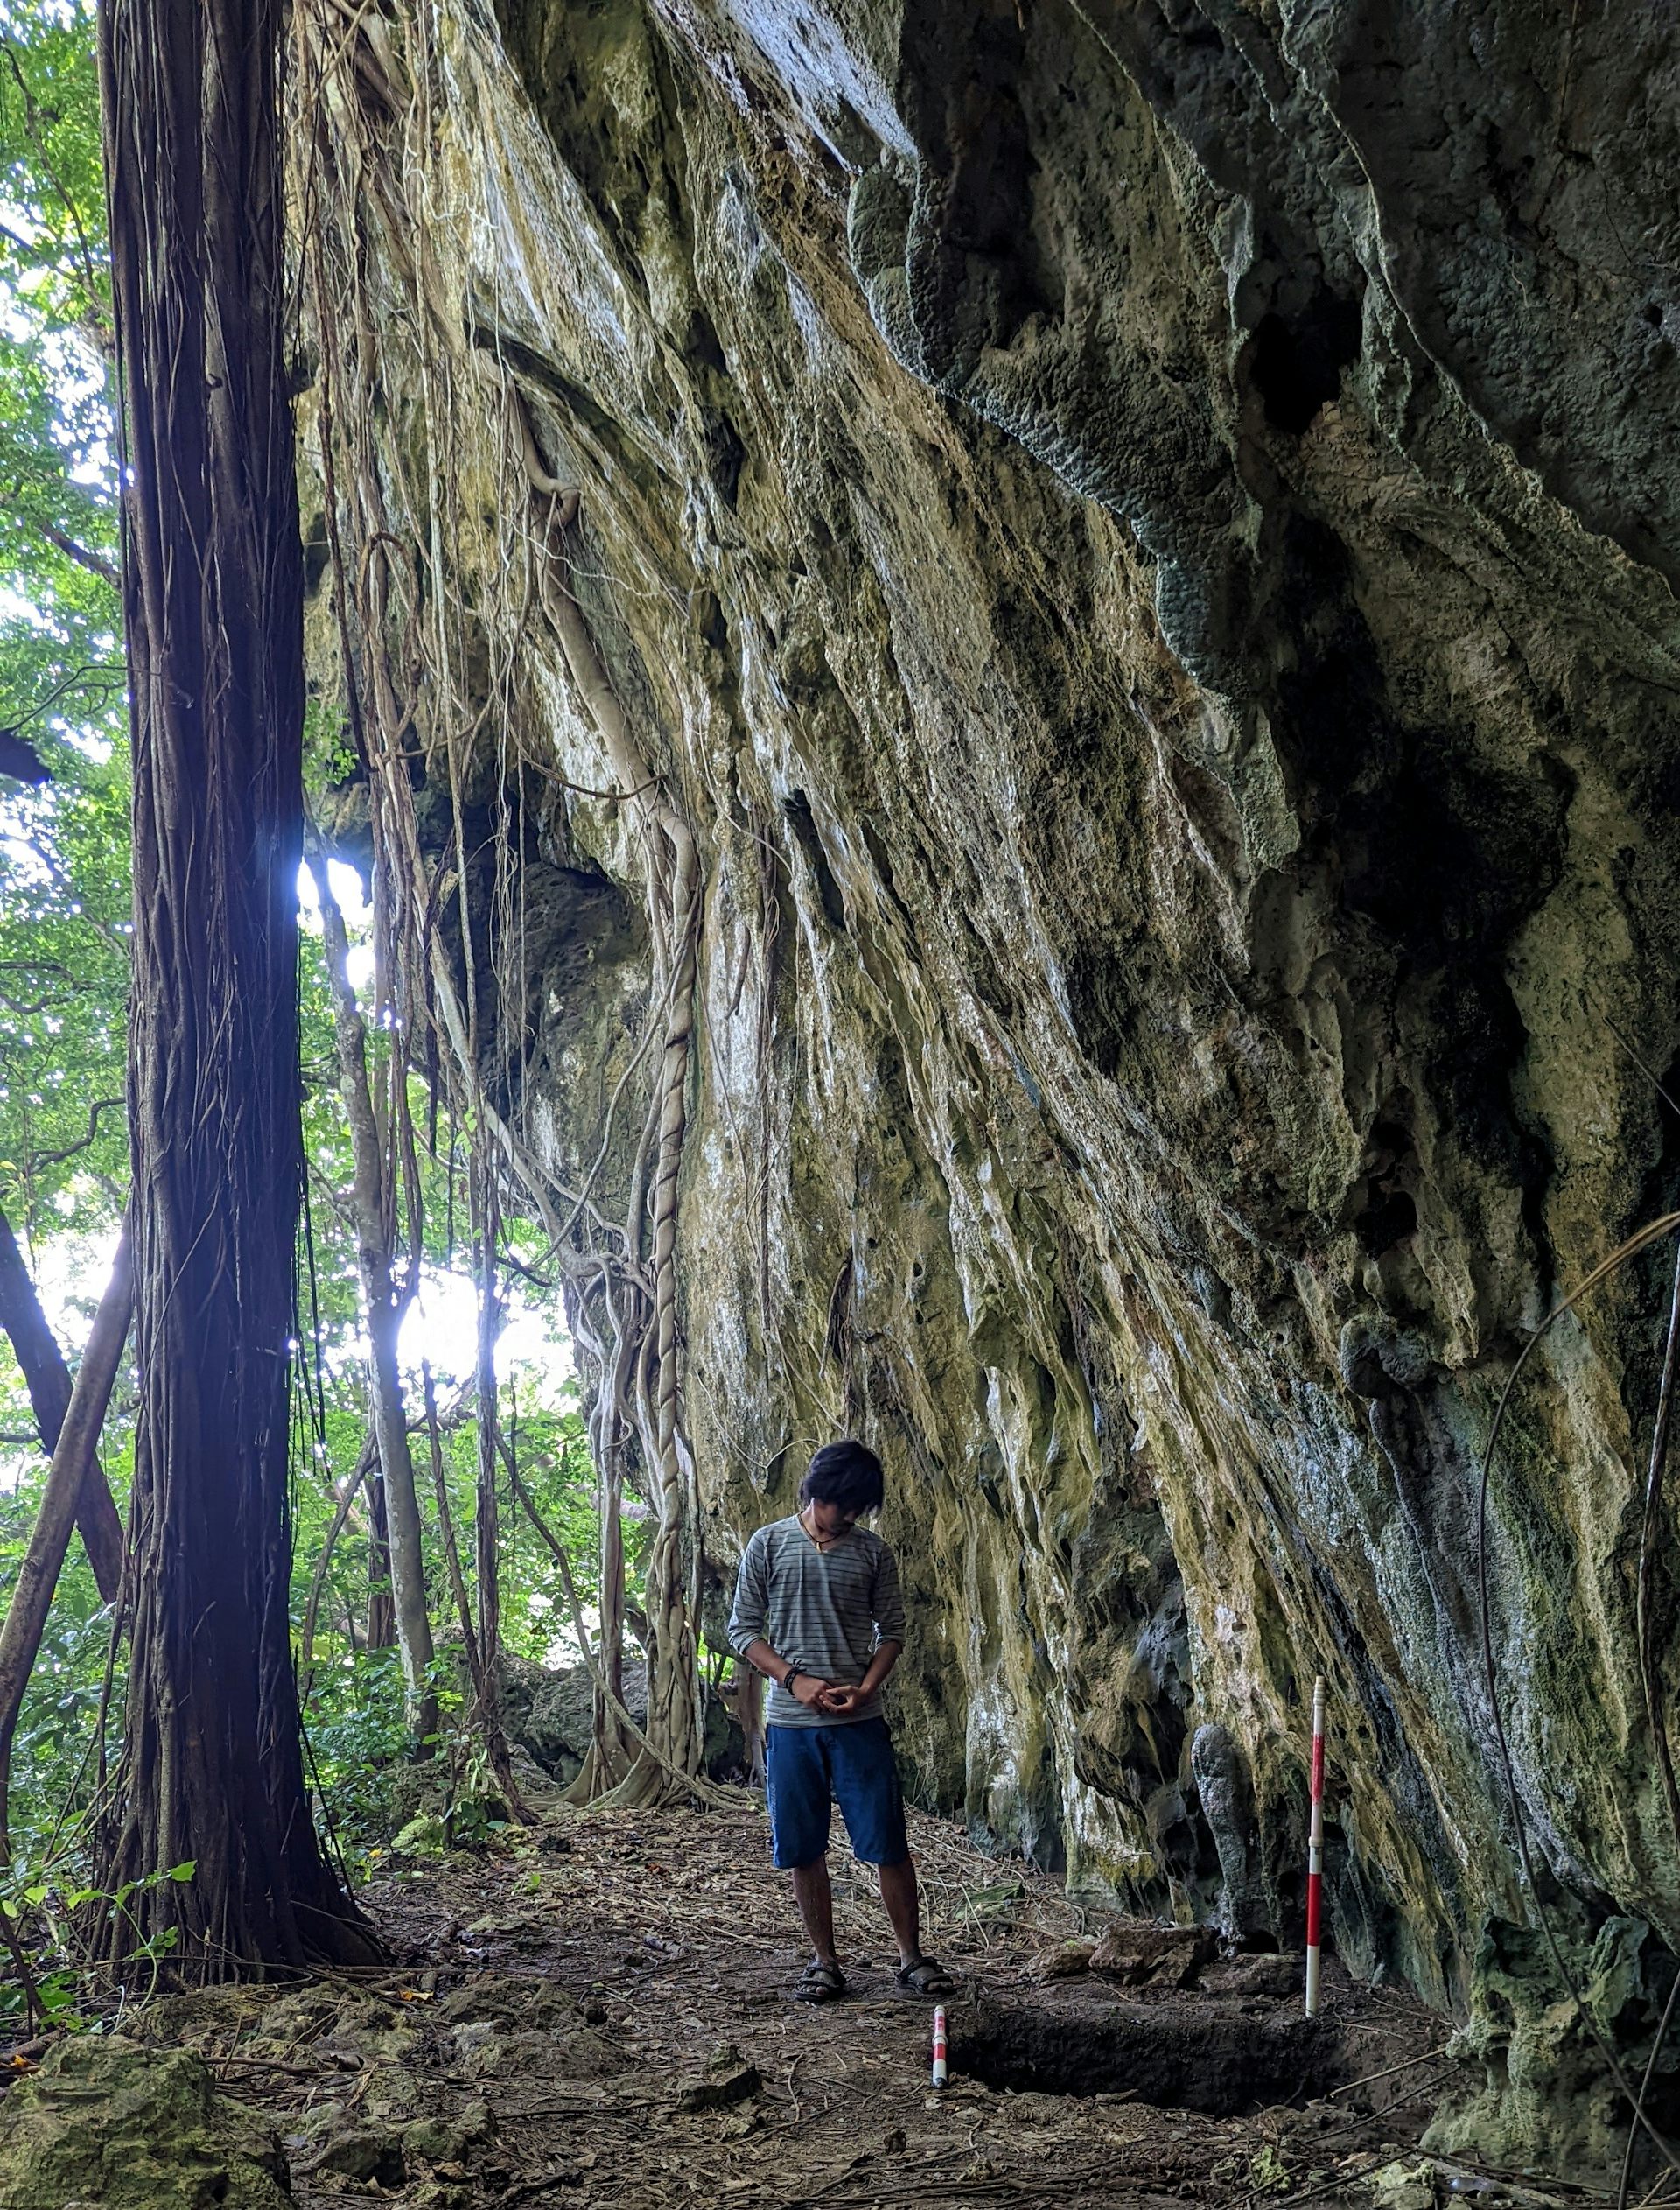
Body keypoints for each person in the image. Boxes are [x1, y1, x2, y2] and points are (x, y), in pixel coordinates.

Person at [727, 1437, 955, 2003]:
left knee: (887, 1841)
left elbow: (893, 1630)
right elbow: (743, 1629)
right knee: (804, 1847)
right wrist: (794, 1679)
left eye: (857, 1508)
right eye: (841, 1505)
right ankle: (824, 1960)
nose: (848, 1516)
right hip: (790, 1724)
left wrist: (868, 1687)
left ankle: (910, 1955)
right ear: (815, 1491)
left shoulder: (872, 1552)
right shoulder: (769, 1544)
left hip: (860, 1722)